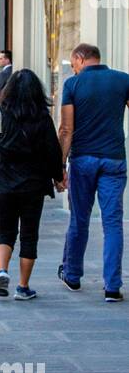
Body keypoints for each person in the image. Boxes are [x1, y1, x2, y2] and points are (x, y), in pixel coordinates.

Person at [0, 70, 65, 300]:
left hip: (4, 181)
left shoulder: (0, 114)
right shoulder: (41, 117)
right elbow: (53, 151)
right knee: (29, 235)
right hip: (33, 183)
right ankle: (23, 287)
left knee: (5, 231)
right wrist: (58, 176)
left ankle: (1, 271)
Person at [58, 43, 129, 302]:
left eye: (73, 63)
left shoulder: (73, 85)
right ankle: (112, 286)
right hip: (114, 160)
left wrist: (59, 167)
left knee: (80, 218)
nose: (74, 68)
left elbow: (66, 130)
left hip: (83, 160)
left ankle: (73, 275)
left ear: (79, 58)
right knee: (113, 223)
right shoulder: (123, 80)